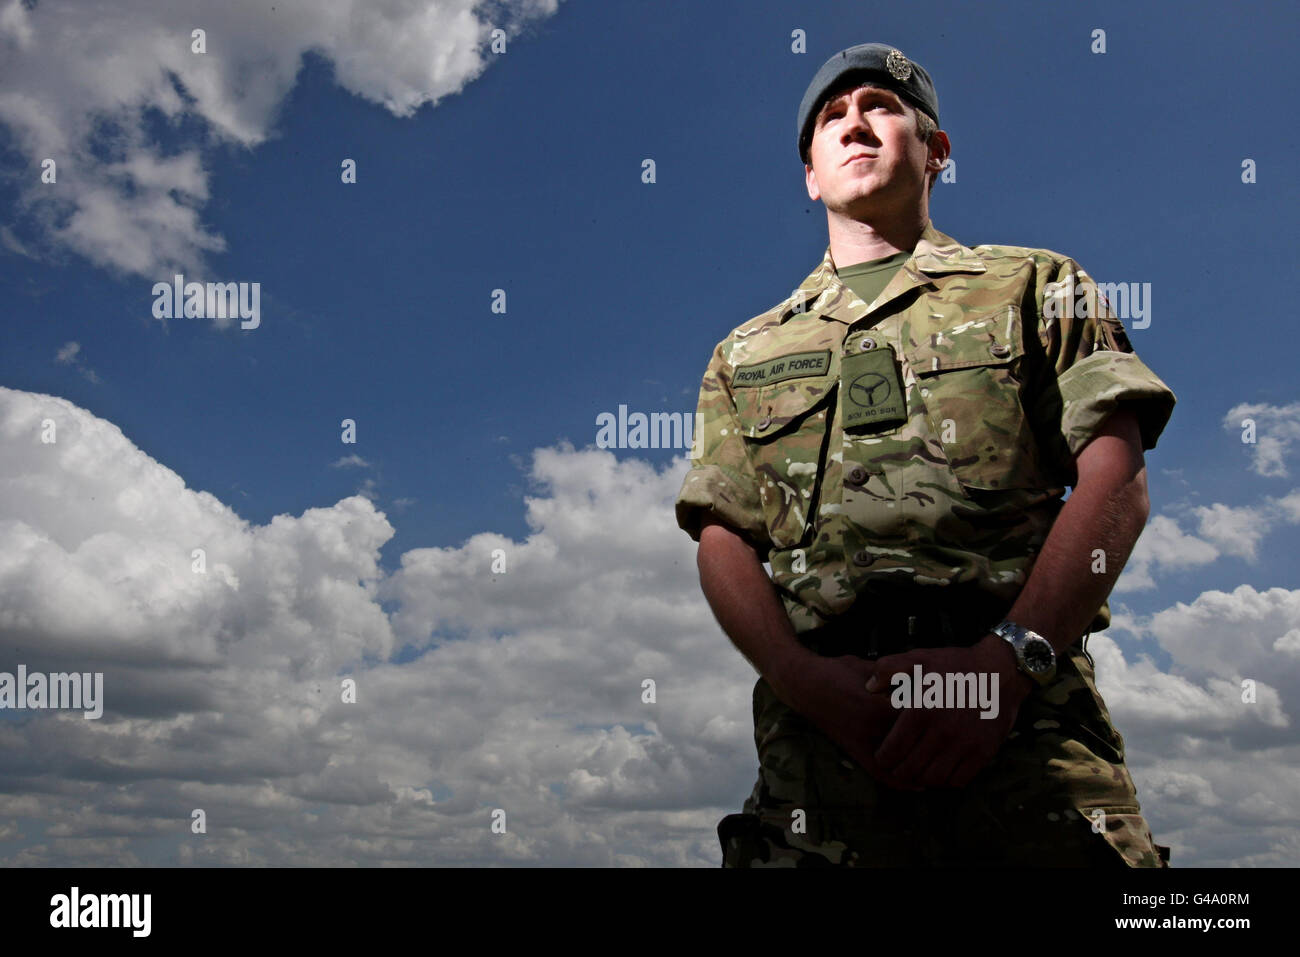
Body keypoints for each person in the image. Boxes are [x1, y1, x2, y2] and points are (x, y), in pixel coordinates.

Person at [674, 42, 1176, 867]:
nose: (854, 123)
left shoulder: (1035, 283)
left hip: (1025, 729)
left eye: (879, 105)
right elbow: (723, 536)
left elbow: (1115, 476)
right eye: (831, 118)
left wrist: (1004, 666)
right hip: (821, 748)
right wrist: (807, 684)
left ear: (937, 149)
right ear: (810, 175)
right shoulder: (745, 351)